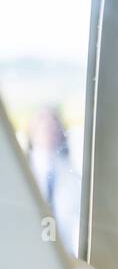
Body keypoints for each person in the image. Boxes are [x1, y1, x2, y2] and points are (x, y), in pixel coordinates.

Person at [26, 105, 81, 247]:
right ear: (32, 130)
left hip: (65, 255)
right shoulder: (24, 171)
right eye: (43, 123)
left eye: (53, 124)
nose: (48, 129)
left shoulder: (72, 174)